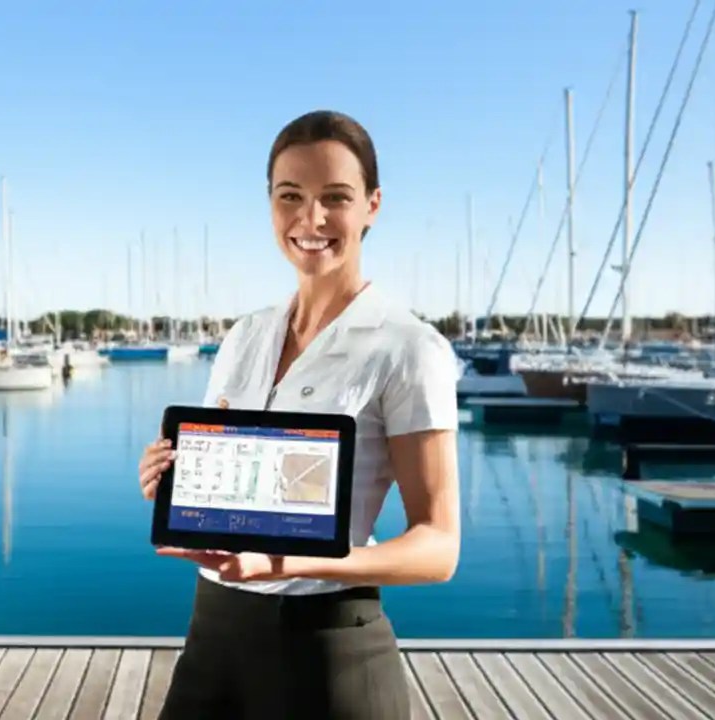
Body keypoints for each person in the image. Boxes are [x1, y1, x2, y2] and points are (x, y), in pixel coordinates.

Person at [137, 109, 460, 719]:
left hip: (330, 653)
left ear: (372, 205)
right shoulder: (244, 335)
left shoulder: (409, 348)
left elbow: (438, 549)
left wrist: (285, 563)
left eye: (334, 198)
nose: (310, 219)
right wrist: (170, 479)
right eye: (291, 197)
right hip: (213, 636)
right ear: (270, 205)